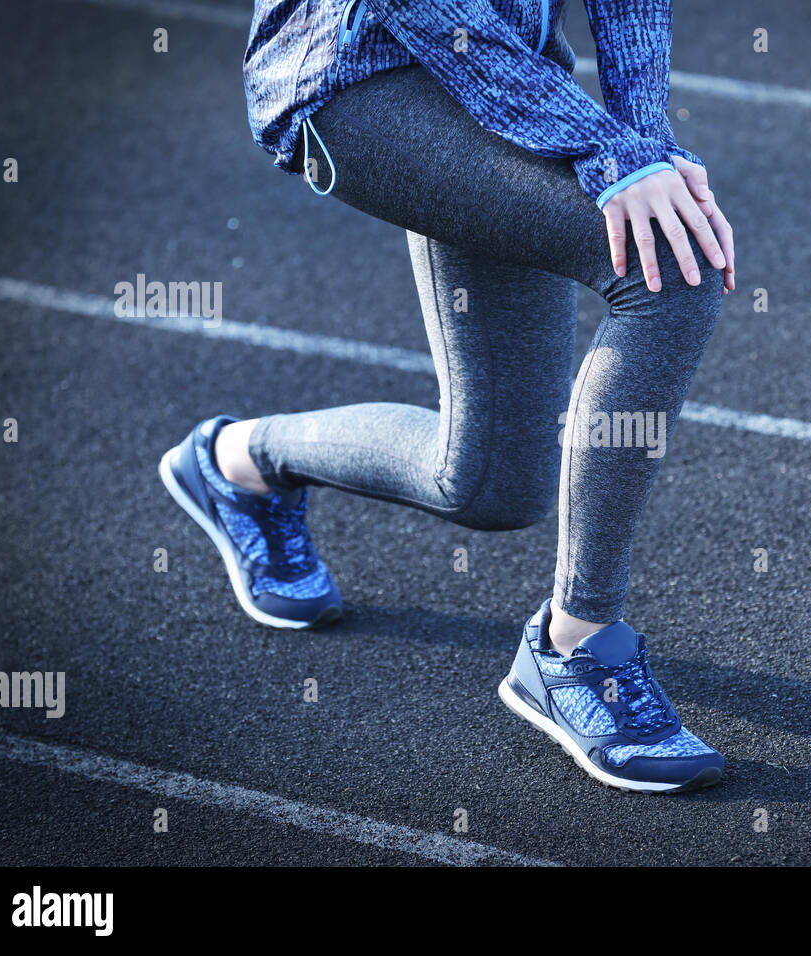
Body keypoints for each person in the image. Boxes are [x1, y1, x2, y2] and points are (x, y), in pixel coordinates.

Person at [159, 0, 735, 793]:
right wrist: (607, 150)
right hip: (358, 79)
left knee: (491, 486)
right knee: (668, 268)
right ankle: (576, 648)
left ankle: (237, 465)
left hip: (511, 64)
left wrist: (646, 143)